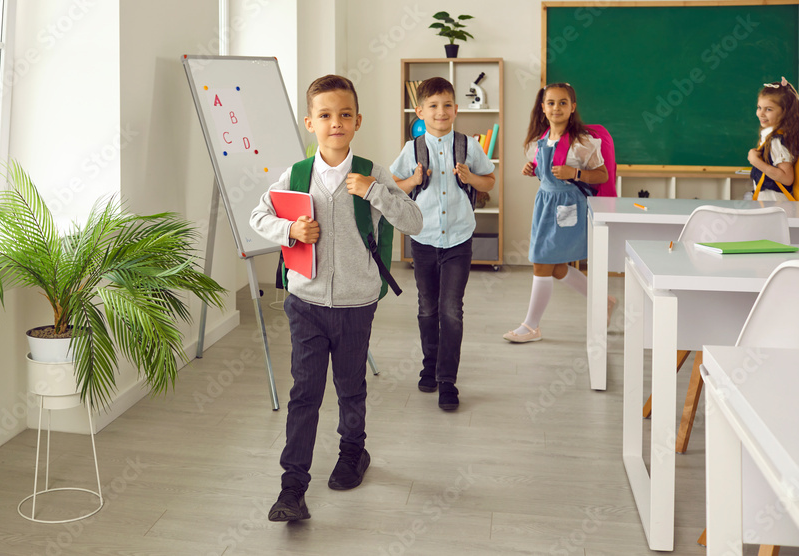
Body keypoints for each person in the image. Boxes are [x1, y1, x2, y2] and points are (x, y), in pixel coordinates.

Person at [250, 75, 422, 522]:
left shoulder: (372, 173)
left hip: (355, 304)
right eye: (325, 115)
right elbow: (258, 216)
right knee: (304, 394)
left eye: (345, 114)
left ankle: (353, 452)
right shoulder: (296, 175)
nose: (336, 123)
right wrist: (290, 229)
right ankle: (292, 489)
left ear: (358, 120)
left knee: (350, 387)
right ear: (310, 122)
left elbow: (414, 221)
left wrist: (375, 192)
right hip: (304, 303)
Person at [390, 77, 495, 410]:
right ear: (420, 111)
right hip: (423, 239)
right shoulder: (411, 149)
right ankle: (429, 366)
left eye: (447, 105)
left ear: (456, 109)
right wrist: (413, 179)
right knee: (427, 307)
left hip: (459, 240)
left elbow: (489, 180)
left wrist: (470, 178)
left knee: (451, 309)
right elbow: (394, 186)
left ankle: (448, 380)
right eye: (433, 106)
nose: (441, 111)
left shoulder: (468, 145)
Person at [505, 83, 610, 343]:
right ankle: (604, 302)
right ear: (543, 108)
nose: (556, 108)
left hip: (568, 207)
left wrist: (575, 173)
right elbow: (547, 173)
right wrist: (532, 169)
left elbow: (602, 175)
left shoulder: (582, 142)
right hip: (545, 205)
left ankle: (531, 326)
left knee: (542, 262)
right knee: (556, 267)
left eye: (563, 103)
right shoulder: (539, 141)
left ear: (573, 107)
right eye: (551, 103)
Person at [748, 76, 799, 201]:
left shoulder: (777, 141)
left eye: (768, 109)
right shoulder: (777, 136)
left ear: (785, 112)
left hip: (776, 204)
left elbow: (787, 178)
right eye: (759, 107)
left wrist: (755, 161)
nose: (761, 113)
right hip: (772, 204)